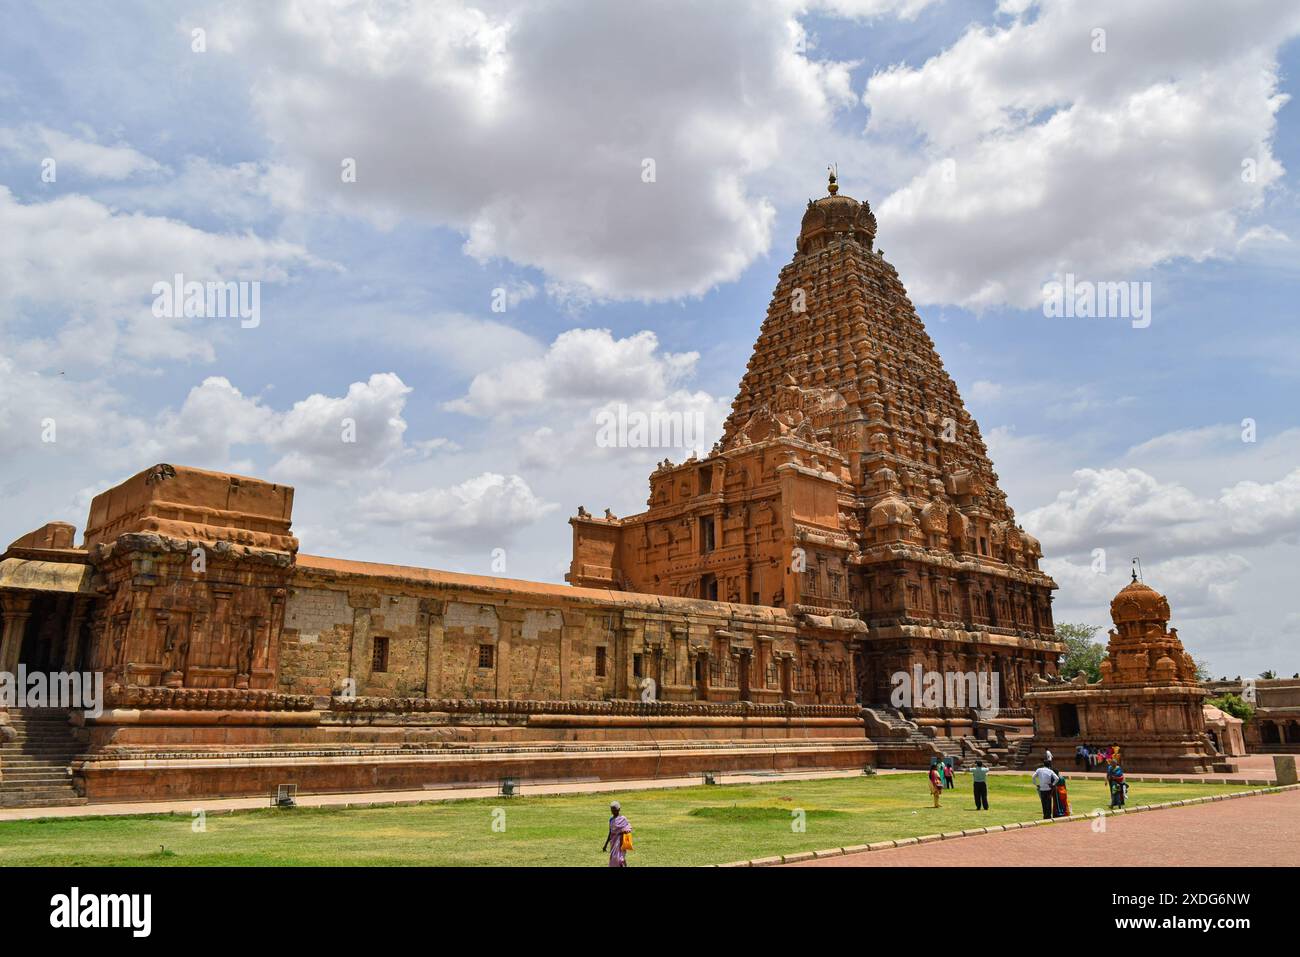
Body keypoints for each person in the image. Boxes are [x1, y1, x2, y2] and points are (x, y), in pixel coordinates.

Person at [602, 801, 632, 867]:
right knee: (614, 859)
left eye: (615, 810)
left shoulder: (623, 819)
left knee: (620, 859)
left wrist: (624, 831)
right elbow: (610, 832)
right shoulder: (611, 820)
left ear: (619, 809)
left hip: (621, 842)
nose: (613, 812)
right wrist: (605, 845)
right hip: (613, 843)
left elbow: (629, 828)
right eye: (612, 810)